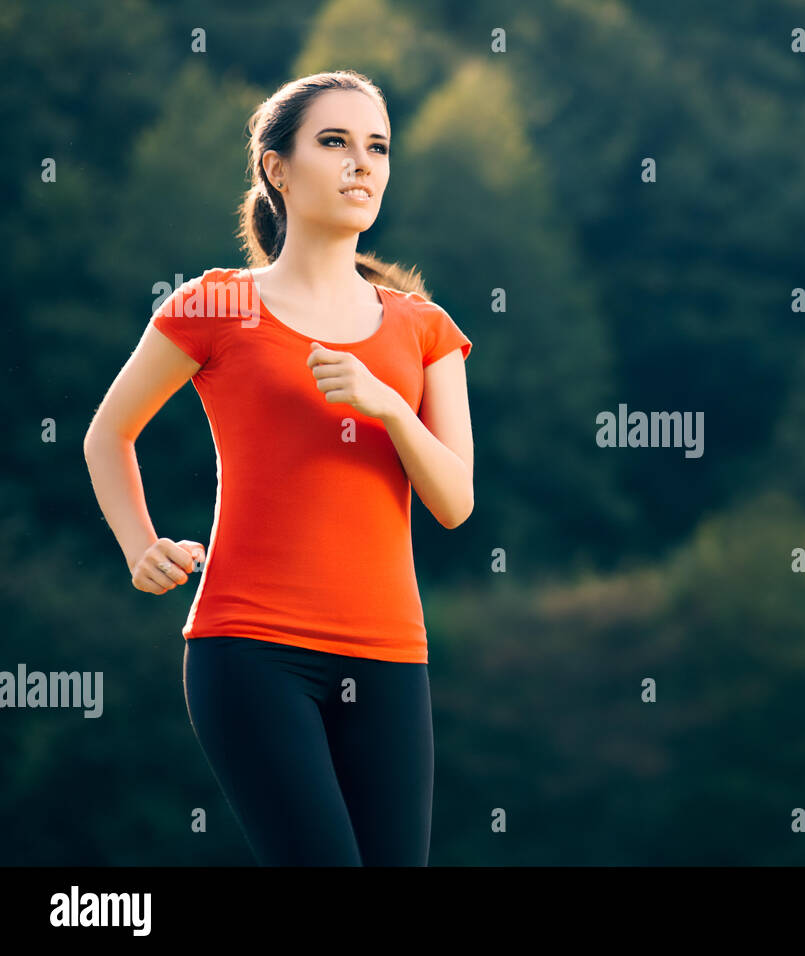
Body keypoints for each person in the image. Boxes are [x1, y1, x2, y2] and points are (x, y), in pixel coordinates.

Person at [82, 70, 474, 866]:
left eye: (377, 147)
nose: (360, 163)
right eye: (334, 142)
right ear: (277, 169)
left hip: (393, 659)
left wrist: (389, 407)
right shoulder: (215, 304)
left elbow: (455, 501)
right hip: (250, 650)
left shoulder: (426, 330)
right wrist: (139, 544)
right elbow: (107, 435)